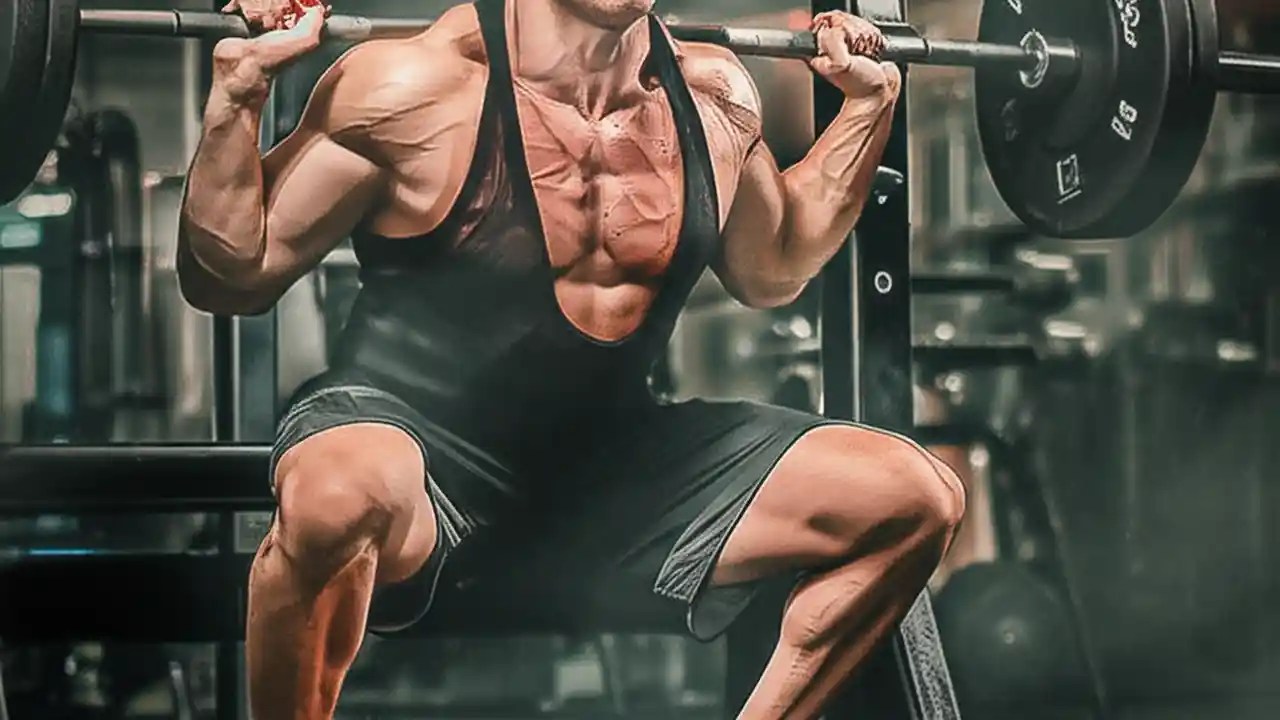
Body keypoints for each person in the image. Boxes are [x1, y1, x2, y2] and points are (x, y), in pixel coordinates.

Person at [178, 0, 966, 717]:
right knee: (336, 497)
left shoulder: (712, 92)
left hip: (613, 455)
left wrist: (869, 105)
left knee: (911, 498)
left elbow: (775, 264)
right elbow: (232, 276)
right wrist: (238, 98)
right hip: (419, 445)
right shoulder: (414, 86)